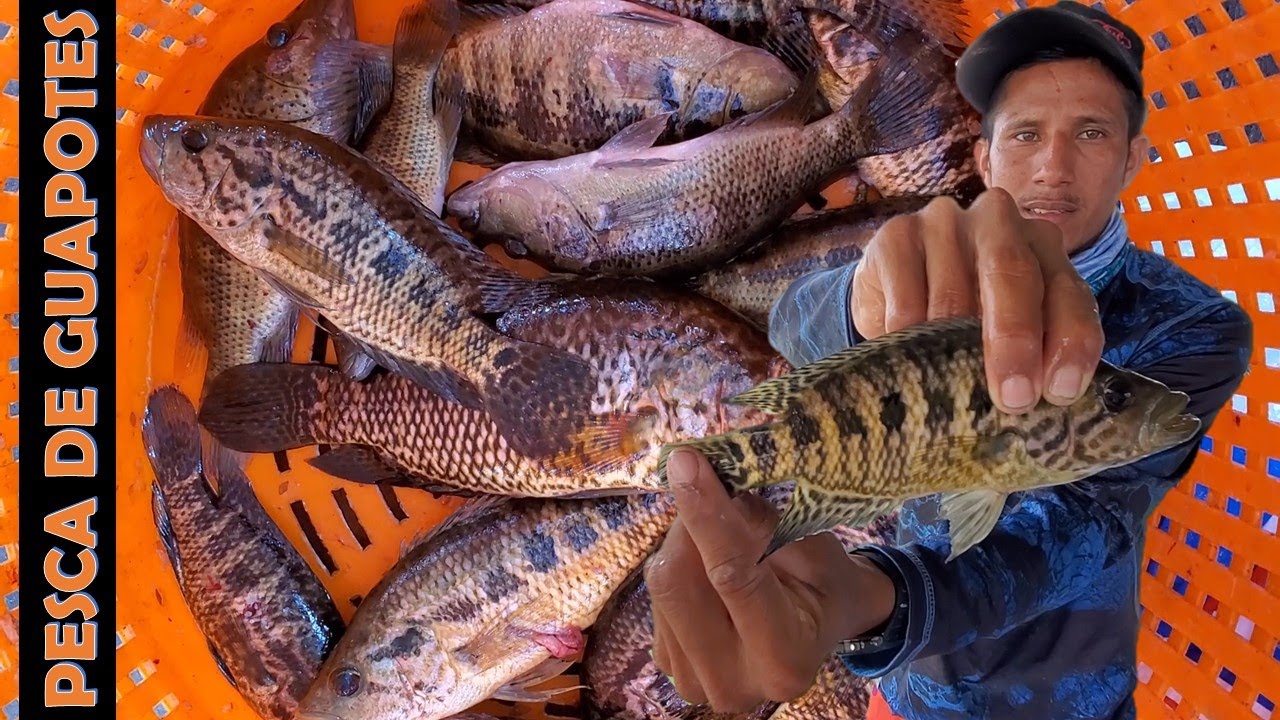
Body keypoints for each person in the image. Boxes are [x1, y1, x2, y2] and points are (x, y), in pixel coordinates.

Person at [642, 2, 1255, 719]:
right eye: (1025, 133)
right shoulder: (933, 259)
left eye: (1091, 132)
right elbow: (791, 320)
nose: (1053, 167)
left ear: (1134, 160)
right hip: (904, 692)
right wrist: (857, 307)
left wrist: (871, 599)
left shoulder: (1197, 326)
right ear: (985, 159)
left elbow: (1085, 523)